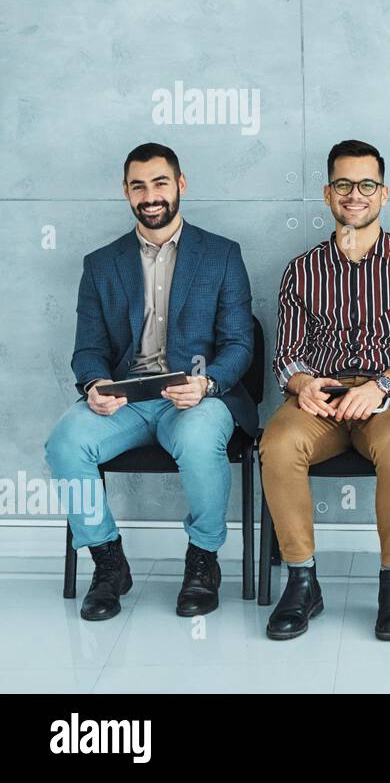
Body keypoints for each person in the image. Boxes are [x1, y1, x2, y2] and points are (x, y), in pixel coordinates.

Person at [46, 143, 255, 621]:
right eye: (138, 186)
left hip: (195, 395)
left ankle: (203, 561)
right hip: (126, 398)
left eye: (160, 183)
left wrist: (207, 384)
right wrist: (94, 384)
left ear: (180, 184)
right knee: (65, 443)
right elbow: (88, 348)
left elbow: (240, 343)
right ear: (126, 192)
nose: (150, 195)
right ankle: (107, 562)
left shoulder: (222, 255)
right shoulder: (100, 265)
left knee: (201, 440)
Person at [259, 140, 390, 641]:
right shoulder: (302, 270)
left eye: (366, 185)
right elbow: (287, 354)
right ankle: (302, 581)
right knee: (276, 444)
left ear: (384, 194)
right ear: (327, 194)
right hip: (321, 395)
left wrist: (381, 386)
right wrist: (302, 384)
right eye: (343, 184)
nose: (354, 194)